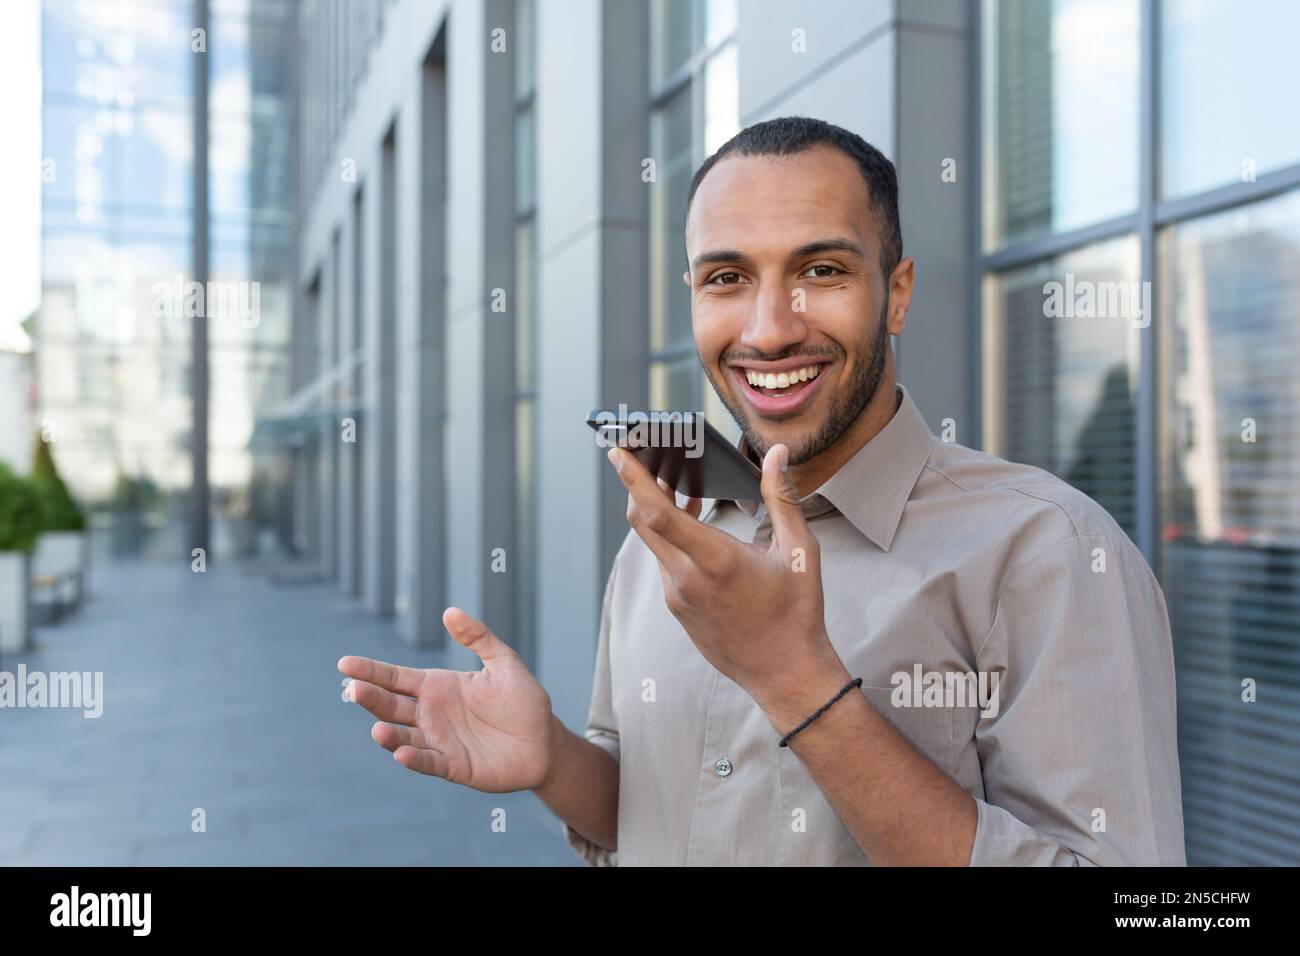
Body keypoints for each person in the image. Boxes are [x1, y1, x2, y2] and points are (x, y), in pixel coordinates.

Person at [339, 116, 1186, 866]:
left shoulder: (1051, 552)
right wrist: (557, 762)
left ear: (897, 293)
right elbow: (658, 810)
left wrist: (796, 680)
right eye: (727, 278)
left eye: (821, 269)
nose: (770, 329)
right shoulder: (667, 535)